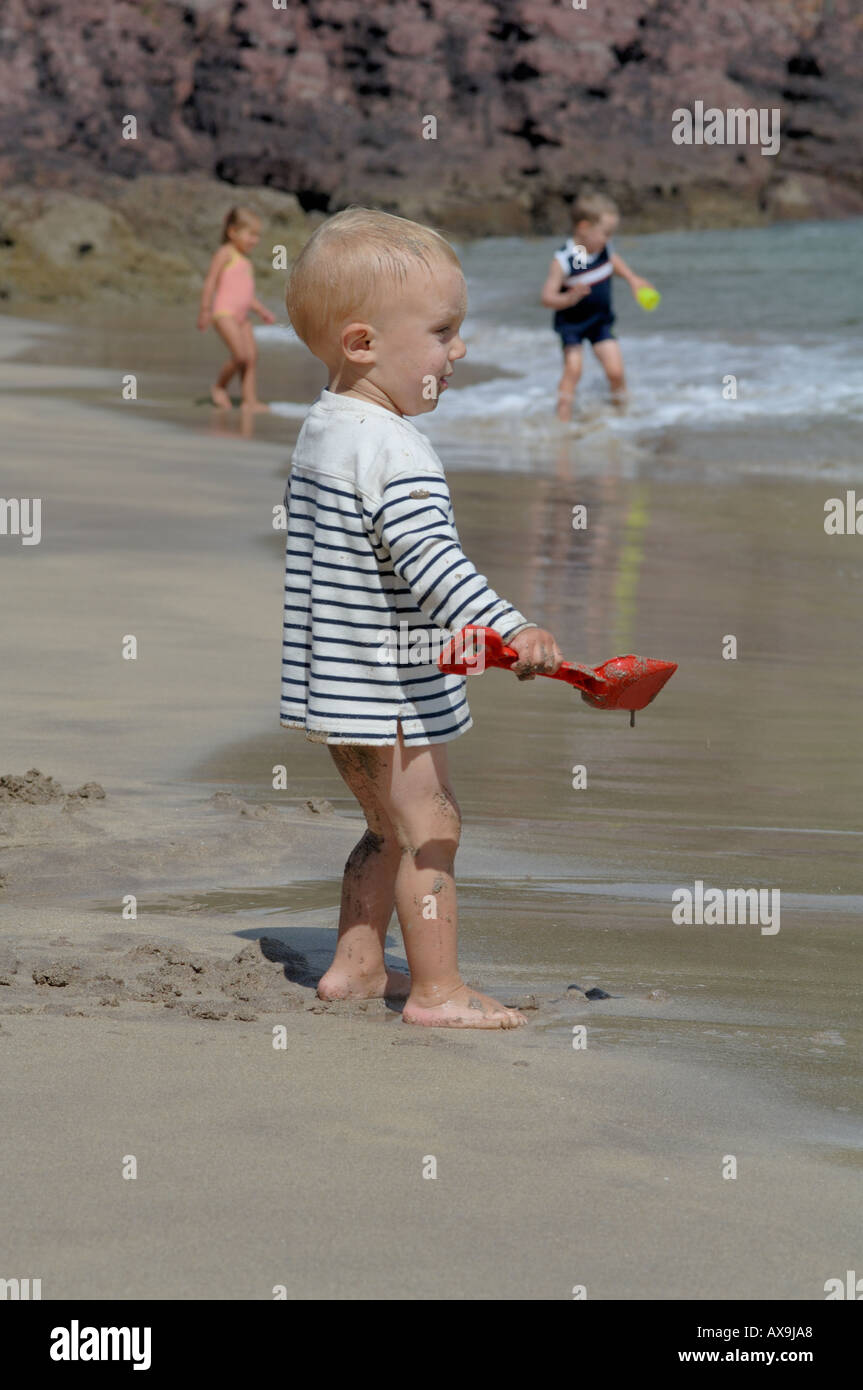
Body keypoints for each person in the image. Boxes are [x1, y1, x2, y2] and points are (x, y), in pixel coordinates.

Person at [282, 206, 565, 1029]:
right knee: (431, 826)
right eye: (443, 331)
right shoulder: (396, 450)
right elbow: (433, 567)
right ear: (363, 344)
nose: (459, 349)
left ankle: (356, 964)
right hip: (390, 683)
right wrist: (510, 629)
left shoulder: (324, 430)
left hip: (333, 680)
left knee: (382, 826)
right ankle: (438, 992)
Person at [540, 191, 657, 421]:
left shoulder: (604, 250)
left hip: (601, 322)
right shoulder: (564, 259)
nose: (609, 239)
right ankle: (562, 420)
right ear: (583, 227)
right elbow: (546, 297)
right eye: (606, 233)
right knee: (574, 370)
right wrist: (569, 299)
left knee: (615, 371)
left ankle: (622, 415)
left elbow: (615, 263)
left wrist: (633, 280)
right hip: (572, 325)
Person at [198, 206, 275, 411]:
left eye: (257, 236)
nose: (255, 240)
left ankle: (249, 401)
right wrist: (205, 309)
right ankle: (219, 387)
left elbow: (247, 295)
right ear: (232, 232)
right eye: (251, 234)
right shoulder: (225, 253)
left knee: (251, 358)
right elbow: (211, 281)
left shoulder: (247, 262)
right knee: (240, 355)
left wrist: (262, 311)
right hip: (224, 313)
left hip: (243, 317)